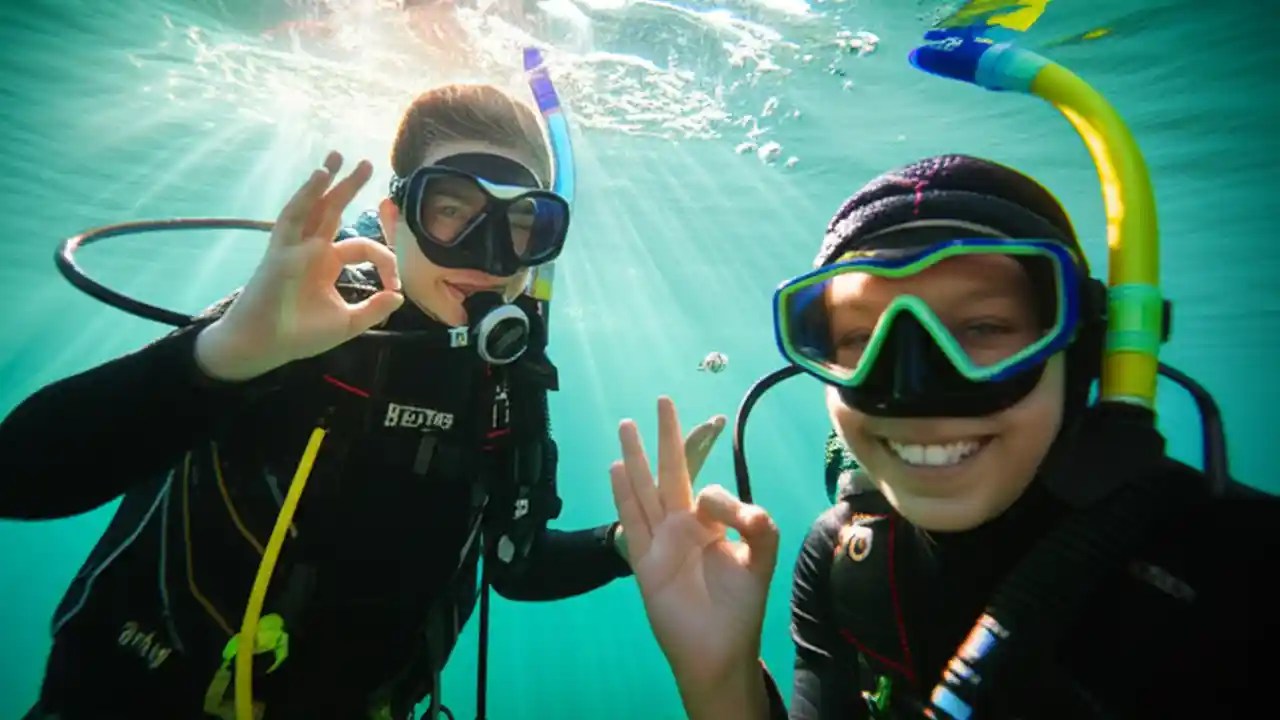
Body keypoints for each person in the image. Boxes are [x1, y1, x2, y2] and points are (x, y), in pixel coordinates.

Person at [1, 82, 724, 719]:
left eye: (524, 225)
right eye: (452, 210)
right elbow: (19, 475)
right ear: (393, 217)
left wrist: (622, 548)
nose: (488, 255)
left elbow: (516, 561)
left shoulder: (507, 378)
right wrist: (219, 355)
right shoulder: (297, 324)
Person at [606, 155, 1280, 719]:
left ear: (1083, 353)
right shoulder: (845, 561)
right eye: (861, 340)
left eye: (983, 329)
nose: (913, 392)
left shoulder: (1245, 569)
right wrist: (719, 680)